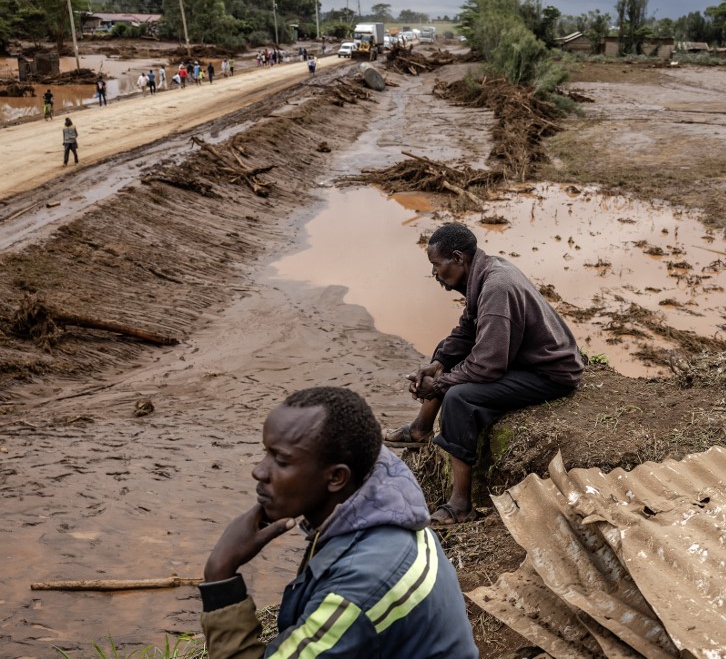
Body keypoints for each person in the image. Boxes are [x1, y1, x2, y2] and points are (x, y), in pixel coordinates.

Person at [199, 387, 477, 658]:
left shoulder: (358, 588)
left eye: (281, 461)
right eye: (266, 453)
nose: (258, 471)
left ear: (336, 477)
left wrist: (220, 573)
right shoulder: (384, 500)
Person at [384, 223, 584, 526]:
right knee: (446, 353)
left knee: (459, 398)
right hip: (522, 357)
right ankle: (419, 430)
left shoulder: (496, 288)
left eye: (436, 265)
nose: (435, 273)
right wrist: (438, 364)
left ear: (457, 257)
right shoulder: (483, 271)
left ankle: (461, 505)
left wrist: (439, 385)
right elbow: (468, 329)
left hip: (549, 372)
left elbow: (487, 366)